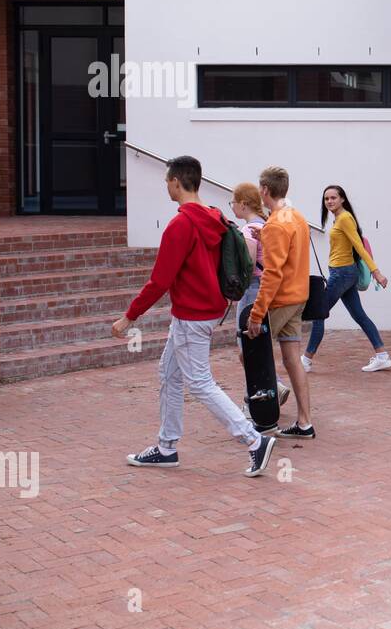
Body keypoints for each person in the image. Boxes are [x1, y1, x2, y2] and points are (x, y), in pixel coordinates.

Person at [112, 156, 276, 477]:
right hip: (208, 309)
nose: (166, 187)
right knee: (168, 372)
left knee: (200, 382)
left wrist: (129, 317)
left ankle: (253, 439)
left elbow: (160, 280)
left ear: (176, 181)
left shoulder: (181, 224)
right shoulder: (214, 216)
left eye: (167, 181)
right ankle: (166, 447)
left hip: (192, 314)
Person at [248, 166, 315, 439]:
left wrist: (256, 313)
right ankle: (304, 421)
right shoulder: (296, 217)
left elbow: (272, 273)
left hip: (281, 300)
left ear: (265, 190)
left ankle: (264, 418)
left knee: (250, 353)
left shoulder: (275, 224)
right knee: (291, 359)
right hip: (300, 296)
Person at [302, 185, 391, 373]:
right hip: (343, 273)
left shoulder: (344, 219)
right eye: (326, 199)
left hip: (342, 273)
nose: (329, 201)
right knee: (359, 315)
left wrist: (376, 272)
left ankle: (306, 360)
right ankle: (382, 356)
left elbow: (359, 247)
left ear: (342, 199)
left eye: (333, 198)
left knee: (319, 313)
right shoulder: (339, 219)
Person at [229, 182, 289, 409]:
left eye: (233, 202)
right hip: (266, 288)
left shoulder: (248, 230)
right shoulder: (264, 224)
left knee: (248, 348)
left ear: (243, 204)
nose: (232, 206)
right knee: (255, 347)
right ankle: (275, 385)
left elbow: (248, 264)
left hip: (252, 289)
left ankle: (253, 399)